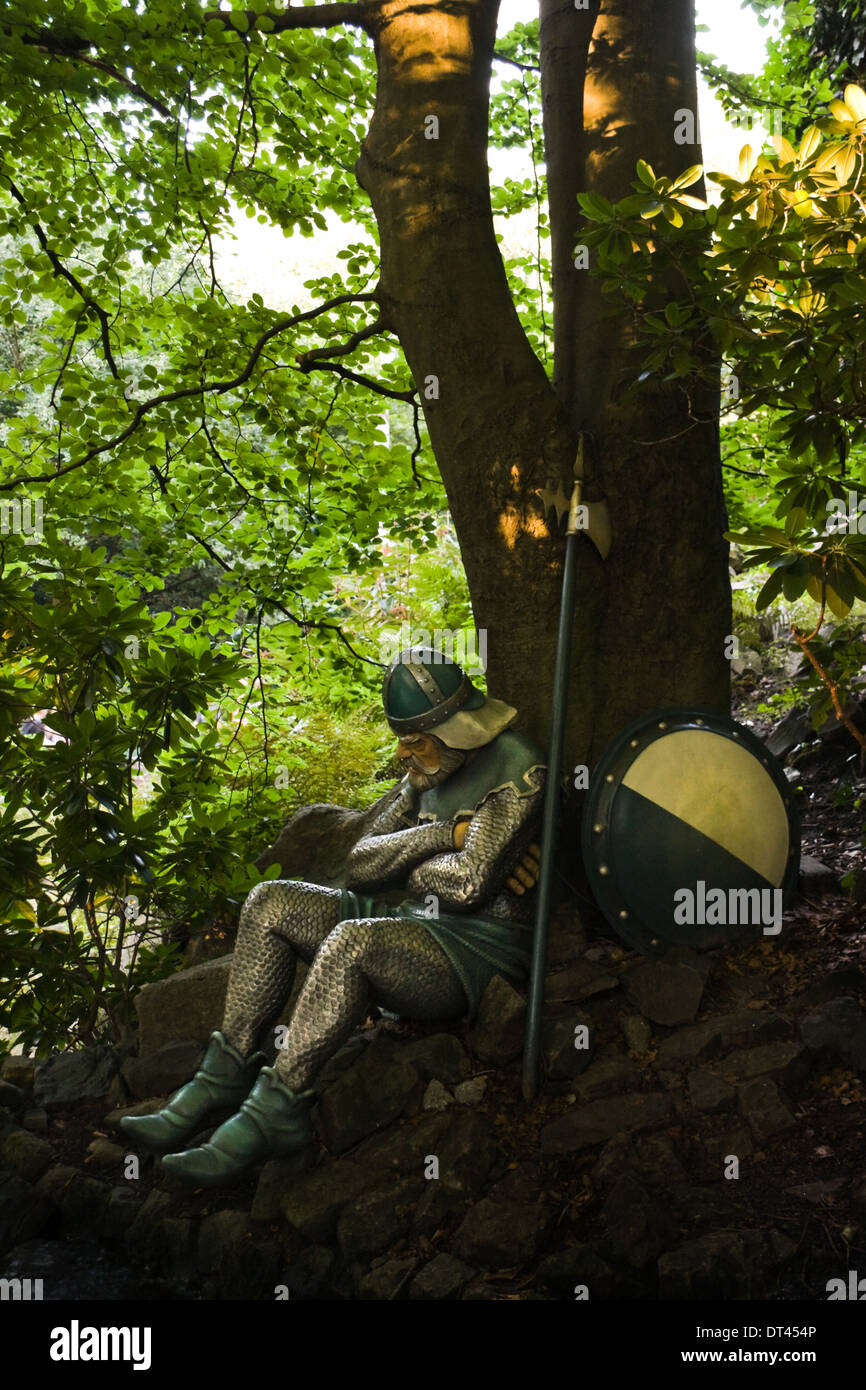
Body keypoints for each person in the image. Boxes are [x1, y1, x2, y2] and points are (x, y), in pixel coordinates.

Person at [121, 648, 546, 1186]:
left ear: (454, 730)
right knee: (271, 901)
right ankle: (223, 1073)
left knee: (352, 940)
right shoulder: (426, 769)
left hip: (472, 950)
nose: (402, 754)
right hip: (411, 922)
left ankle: (277, 1107)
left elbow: (464, 887)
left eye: (414, 741)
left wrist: (413, 866)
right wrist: (445, 836)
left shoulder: (518, 769)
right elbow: (362, 863)